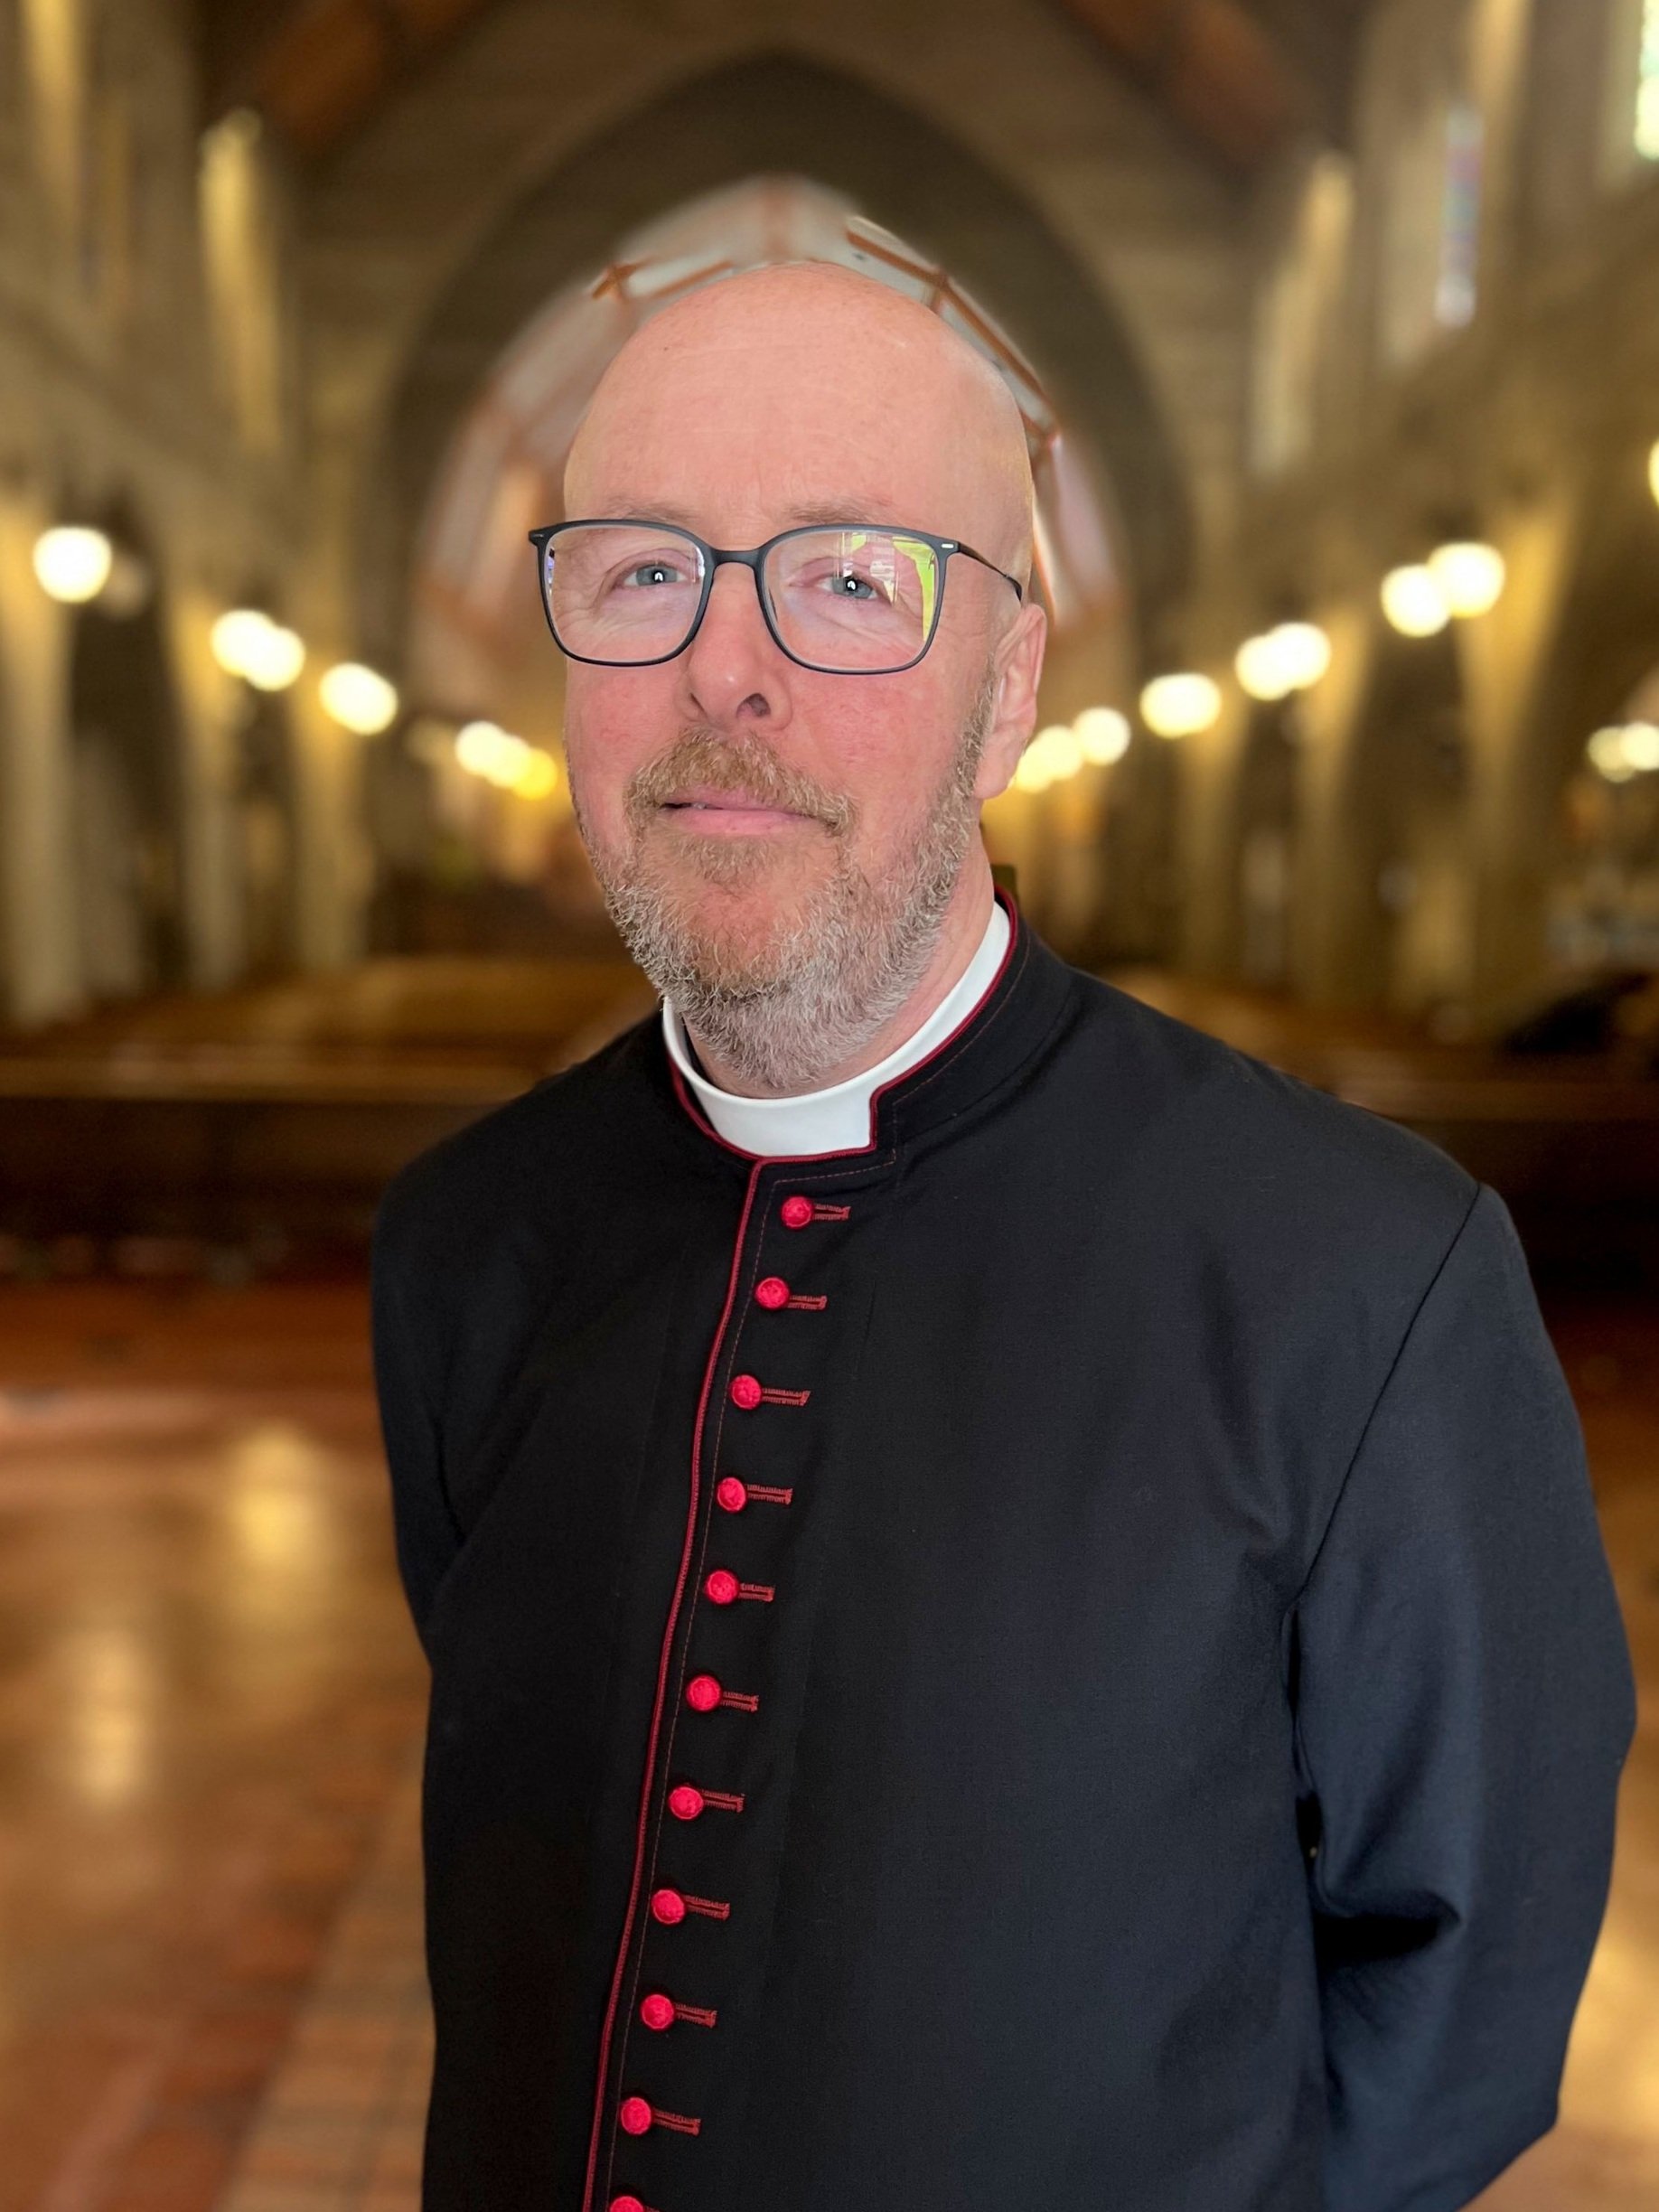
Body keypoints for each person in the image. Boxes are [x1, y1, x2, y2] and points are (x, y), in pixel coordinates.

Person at [370, 262, 1635, 2212]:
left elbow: (1462, 1997)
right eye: (641, 574)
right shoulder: (468, 1242)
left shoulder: (1363, 1280)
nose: (726, 673)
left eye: (847, 579)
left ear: (1012, 689)